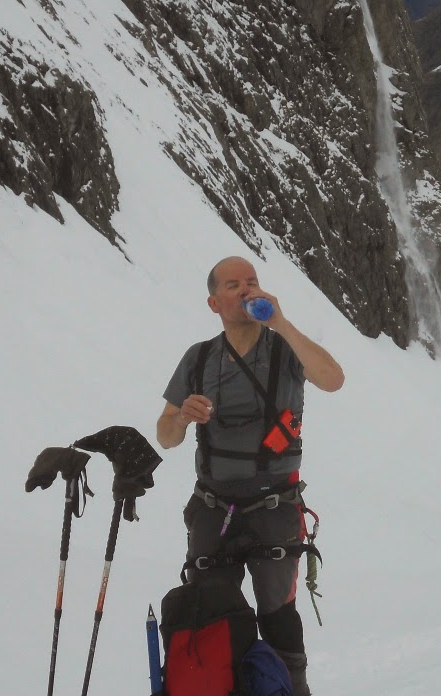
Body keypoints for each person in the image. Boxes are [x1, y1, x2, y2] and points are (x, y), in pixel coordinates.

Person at [157, 256, 343, 695]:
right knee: (212, 616)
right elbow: (166, 435)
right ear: (214, 302)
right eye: (234, 284)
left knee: (277, 616)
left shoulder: (286, 347)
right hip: (212, 506)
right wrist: (182, 417)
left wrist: (282, 322)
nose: (246, 289)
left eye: (253, 281)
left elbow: (333, 379)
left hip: (275, 506)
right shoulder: (199, 358)